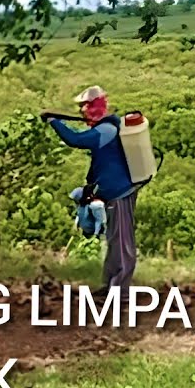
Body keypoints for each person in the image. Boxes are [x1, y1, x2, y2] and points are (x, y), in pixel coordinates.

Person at [43, 86, 138, 294]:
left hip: (120, 192)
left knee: (122, 242)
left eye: (85, 106)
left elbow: (75, 140)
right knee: (114, 241)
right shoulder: (108, 127)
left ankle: (120, 292)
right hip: (115, 191)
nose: (82, 110)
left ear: (94, 106)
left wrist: (54, 122)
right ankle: (110, 285)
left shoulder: (106, 130)